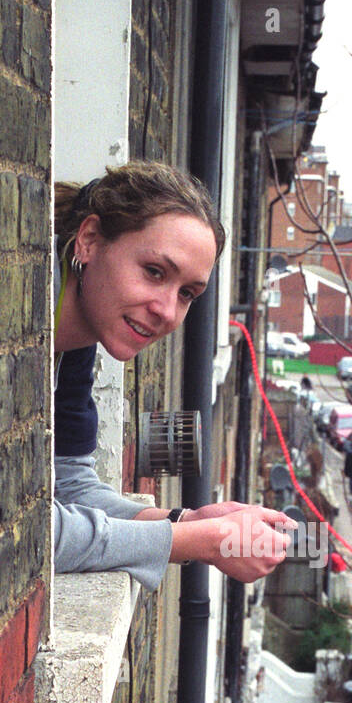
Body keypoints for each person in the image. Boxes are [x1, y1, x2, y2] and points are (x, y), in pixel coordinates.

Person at [52, 162, 295, 587]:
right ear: (89, 240)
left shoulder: (75, 339)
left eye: (187, 293)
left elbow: (66, 482)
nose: (166, 310)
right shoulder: (19, 314)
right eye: (154, 272)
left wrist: (186, 519)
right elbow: (23, 532)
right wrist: (191, 542)